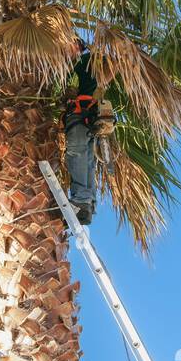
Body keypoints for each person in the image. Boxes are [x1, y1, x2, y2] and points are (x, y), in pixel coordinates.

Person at [63, 39, 99, 225]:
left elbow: (70, 89)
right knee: (87, 158)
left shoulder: (81, 63)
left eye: (76, 47)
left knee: (77, 153)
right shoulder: (92, 63)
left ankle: (81, 200)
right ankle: (87, 203)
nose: (73, 51)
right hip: (91, 116)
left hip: (80, 113)